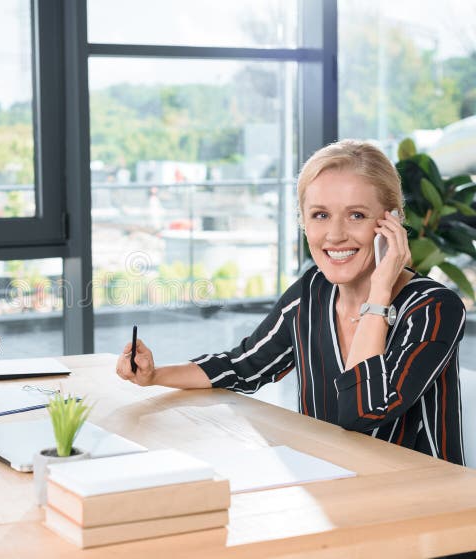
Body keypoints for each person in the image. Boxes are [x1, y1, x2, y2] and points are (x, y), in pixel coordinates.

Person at [116, 140, 466, 465]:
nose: (335, 234)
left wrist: (378, 293)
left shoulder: (433, 308)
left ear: (392, 222)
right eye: (320, 215)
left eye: (356, 215)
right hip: (332, 481)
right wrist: (154, 375)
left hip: (421, 502)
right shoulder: (311, 292)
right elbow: (245, 365)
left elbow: (364, 409)